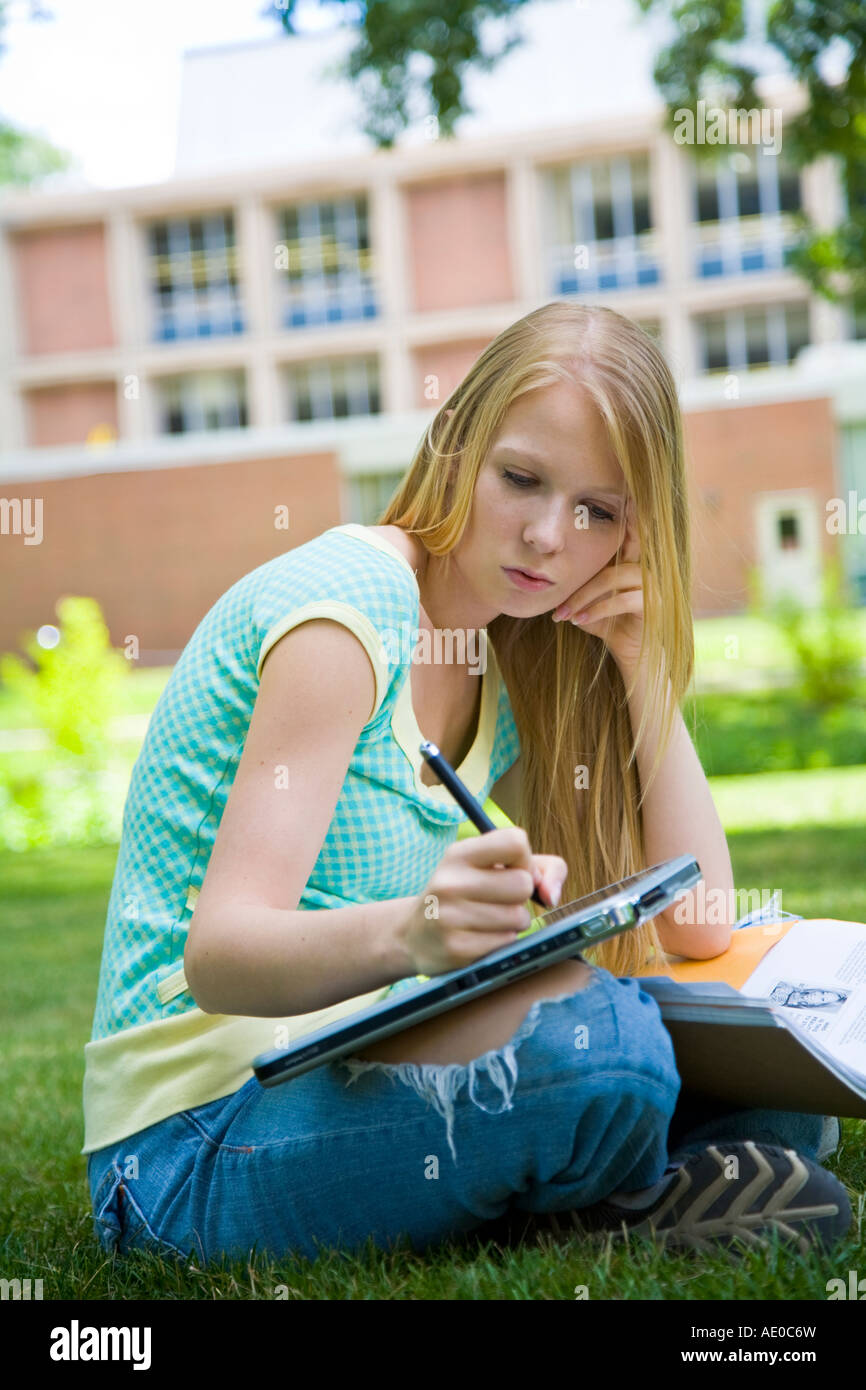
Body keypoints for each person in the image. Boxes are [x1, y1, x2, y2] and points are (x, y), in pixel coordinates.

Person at [84, 302, 850, 1266]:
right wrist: (415, 933)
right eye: (522, 479)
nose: (545, 535)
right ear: (457, 447)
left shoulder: (511, 658)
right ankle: (631, 1186)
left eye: (598, 512)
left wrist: (642, 667)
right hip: (189, 1142)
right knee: (609, 1049)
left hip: (351, 1072)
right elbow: (223, 955)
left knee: (768, 1067)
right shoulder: (350, 610)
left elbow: (697, 920)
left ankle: (615, 1179)